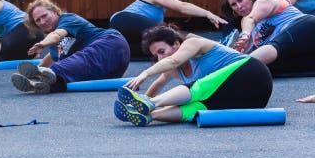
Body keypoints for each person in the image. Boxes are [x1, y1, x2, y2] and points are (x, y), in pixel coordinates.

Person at [114, 24, 272, 127]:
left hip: (254, 75)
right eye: (157, 56)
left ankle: (151, 103)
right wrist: (139, 105)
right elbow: (159, 83)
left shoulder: (193, 43)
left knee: (197, 89)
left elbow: (174, 60)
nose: (160, 58)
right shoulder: (172, 69)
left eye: (162, 51)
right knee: (195, 108)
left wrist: (145, 74)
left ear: (176, 43)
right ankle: (150, 116)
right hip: (246, 101)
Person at [10, 0, 130, 94]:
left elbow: (57, 35)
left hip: (111, 44)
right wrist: (33, 73)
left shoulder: (68, 19)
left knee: (60, 68)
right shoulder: (55, 49)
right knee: (63, 77)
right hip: (111, 69)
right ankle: (36, 85)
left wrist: (42, 44)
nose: (42, 22)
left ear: (54, 11)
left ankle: (42, 79)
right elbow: (51, 57)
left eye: (44, 16)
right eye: (38, 20)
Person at [109, 0, 227, 56]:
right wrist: (207, 13)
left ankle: (217, 47)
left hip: (123, 35)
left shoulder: (160, 13)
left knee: (161, 48)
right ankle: (217, 45)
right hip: (122, 20)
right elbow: (182, 7)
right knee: (171, 34)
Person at [221, 0, 315, 74]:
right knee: (266, 67)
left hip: (307, 28)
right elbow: (246, 54)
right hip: (297, 50)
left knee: (268, 51)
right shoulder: (249, 28)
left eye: (240, 0)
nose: (239, 6)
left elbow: (250, 19)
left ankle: (229, 73)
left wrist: (245, 34)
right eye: (233, 4)